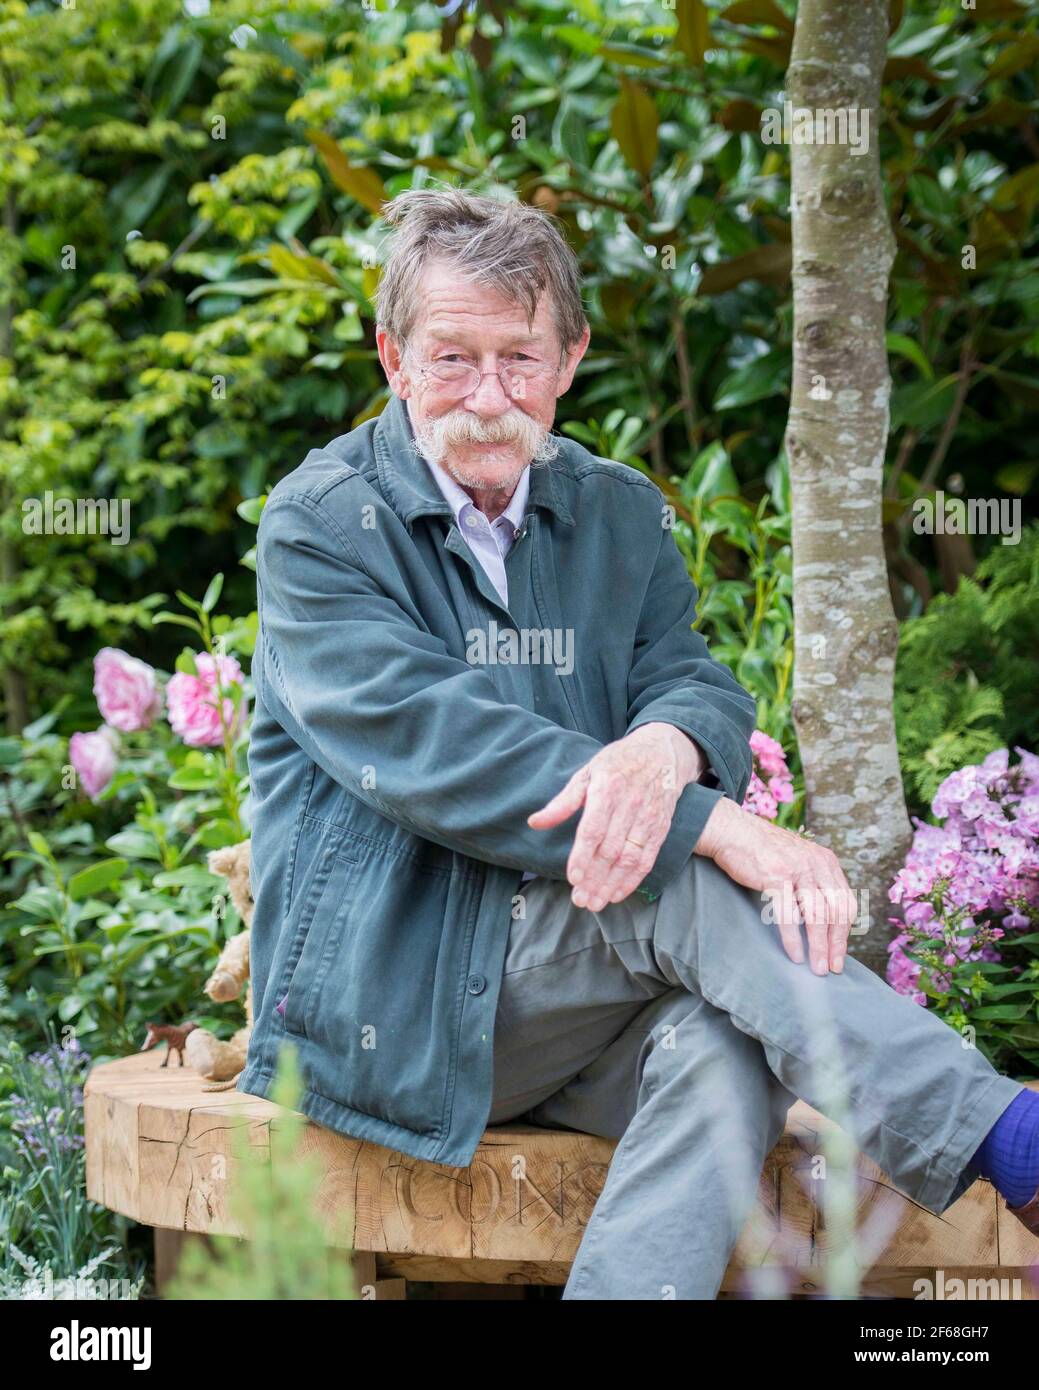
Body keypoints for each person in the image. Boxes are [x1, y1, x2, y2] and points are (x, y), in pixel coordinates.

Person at [238, 187, 1039, 1299]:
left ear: (569, 359)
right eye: (450, 357)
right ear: (392, 359)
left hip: (566, 1010)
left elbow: (691, 677)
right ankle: (1022, 1151)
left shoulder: (615, 511)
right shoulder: (319, 525)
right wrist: (714, 819)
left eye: (518, 357)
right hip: (396, 1000)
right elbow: (435, 741)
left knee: (722, 1048)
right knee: (685, 881)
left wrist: (664, 749)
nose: (484, 396)